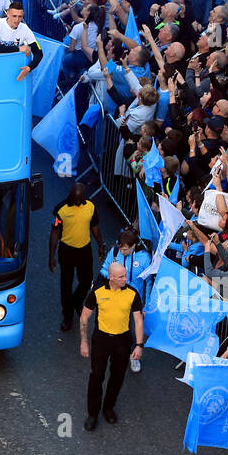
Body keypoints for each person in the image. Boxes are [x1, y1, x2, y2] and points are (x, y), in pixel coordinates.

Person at [79, 261, 145, 431]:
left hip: (122, 340)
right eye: (121, 276)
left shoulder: (132, 293)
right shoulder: (97, 292)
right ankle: (92, 414)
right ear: (111, 278)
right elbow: (84, 317)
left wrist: (139, 345)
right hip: (101, 339)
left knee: (117, 377)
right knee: (97, 376)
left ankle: (108, 408)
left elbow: (138, 320)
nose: (126, 278)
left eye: (125, 275)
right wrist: (84, 342)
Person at [50, 182, 105, 333]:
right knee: (66, 285)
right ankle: (67, 315)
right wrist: (51, 256)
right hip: (66, 250)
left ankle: (76, 301)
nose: (78, 203)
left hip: (84, 249)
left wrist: (101, 245)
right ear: (70, 194)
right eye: (75, 199)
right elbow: (55, 233)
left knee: (87, 280)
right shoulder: (60, 209)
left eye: (80, 200)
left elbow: (95, 228)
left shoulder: (90, 206)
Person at [0, 3, 44, 81]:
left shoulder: (25, 28)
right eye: (14, 16)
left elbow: (39, 53)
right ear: (7, 14)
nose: (17, 20)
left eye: (20, 17)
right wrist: (18, 49)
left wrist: (29, 68)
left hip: (13, 68)